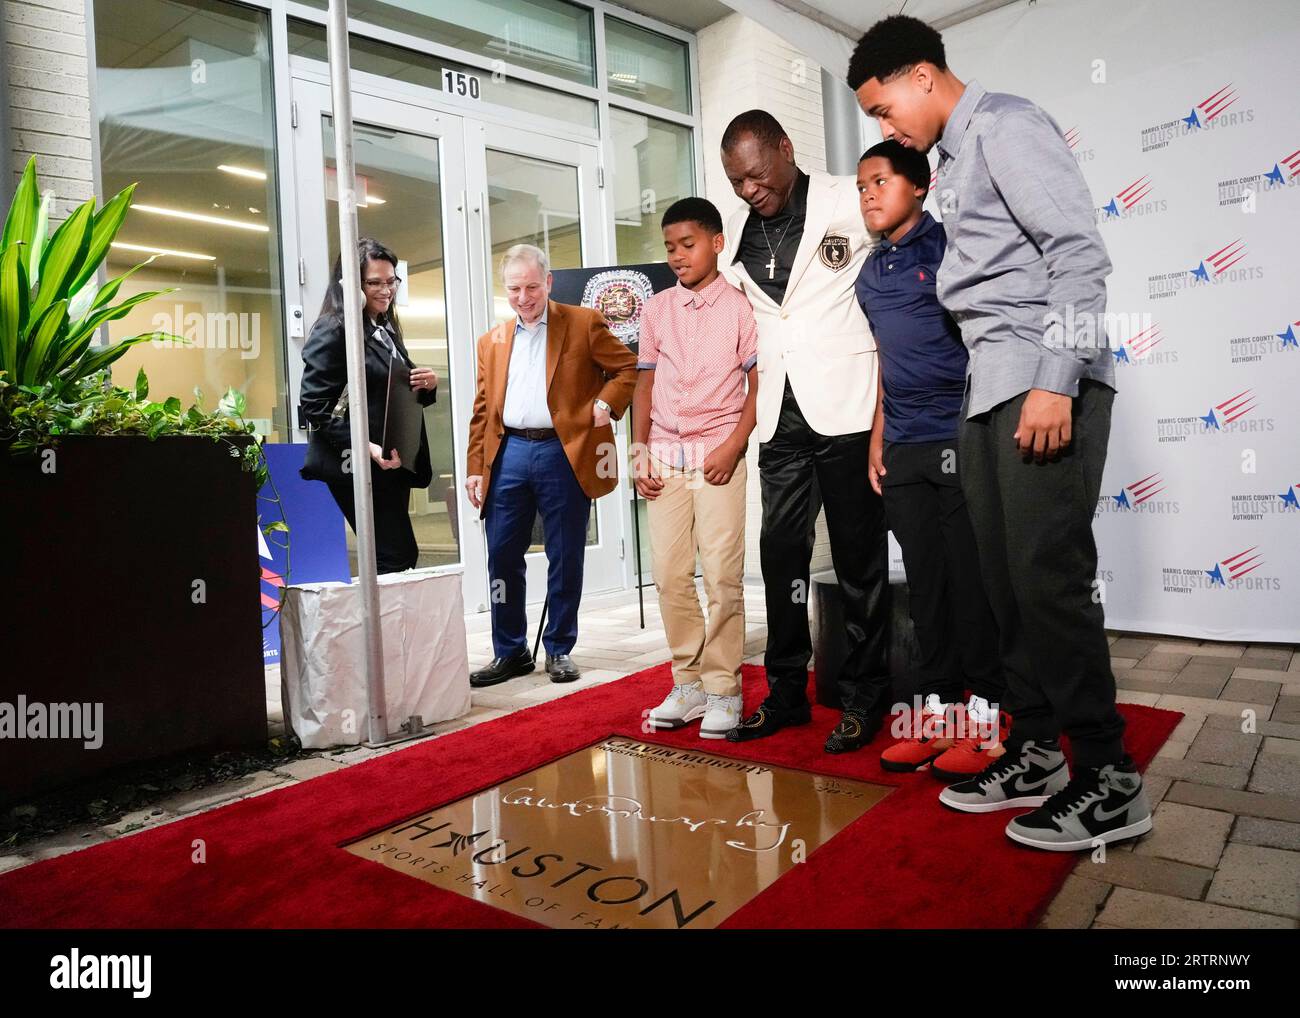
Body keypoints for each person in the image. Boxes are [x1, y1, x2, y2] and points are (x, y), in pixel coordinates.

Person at [848, 15, 1152, 851]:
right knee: (1006, 584)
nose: (885, 129)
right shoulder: (953, 158)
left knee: (1049, 580)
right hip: (987, 388)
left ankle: (1110, 779)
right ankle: (1037, 751)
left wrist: (1055, 384)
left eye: (881, 108)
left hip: (1039, 382)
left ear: (920, 74)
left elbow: (1078, 255)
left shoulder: (1008, 126)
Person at [718, 110, 891, 755]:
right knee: (781, 557)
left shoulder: (849, 198)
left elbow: (899, 248)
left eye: (758, 176)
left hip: (845, 408)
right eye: (737, 181)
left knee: (858, 562)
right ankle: (786, 694)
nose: (749, 191)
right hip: (779, 420)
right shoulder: (736, 234)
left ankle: (864, 698)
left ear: (786, 150)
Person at [854, 140, 1005, 781]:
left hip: (958, 435)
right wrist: (877, 436)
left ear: (920, 185)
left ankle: (990, 723)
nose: (868, 194)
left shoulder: (950, 250)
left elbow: (987, 339)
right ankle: (937, 718)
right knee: (927, 589)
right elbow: (888, 361)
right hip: (903, 444)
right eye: (862, 185)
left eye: (881, 181)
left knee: (971, 586)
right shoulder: (869, 272)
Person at [465, 244, 637, 688]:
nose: (524, 297)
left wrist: (606, 403)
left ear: (549, 282)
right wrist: (474, 467)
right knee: (502, 553)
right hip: (509, 454)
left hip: (565, 449)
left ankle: (559, 646)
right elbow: (483, 410)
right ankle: (511, 651)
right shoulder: (492, 342)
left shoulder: (582, 323)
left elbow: (627, 369)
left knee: (565, 553)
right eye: (514, 289)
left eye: (531, 287)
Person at [634, 197, 759, 739]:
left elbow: (760, 384)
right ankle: (686, 683)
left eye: (687, 245)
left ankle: (723, 689)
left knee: (724, 578)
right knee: (668, 574)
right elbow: (642, 383)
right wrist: (638, 451)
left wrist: (734, 444)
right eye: (669, 248)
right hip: (663, 453)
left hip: (717, 456)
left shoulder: (740, 306)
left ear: (715, 243)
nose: (678, 256)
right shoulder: (655, 308)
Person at [299, 238, 438, 573]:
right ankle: (377, 626)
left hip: (389, 463)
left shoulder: (382, 326)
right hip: (355, 462)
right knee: (395, 555)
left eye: (391, 281)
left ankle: (383, 626)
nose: (385, 290)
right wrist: (366, 446)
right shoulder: (334, 329)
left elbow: (389, 389)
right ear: (349, 285)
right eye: (374, 282)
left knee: (394, 555)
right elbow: (313, 405)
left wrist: (427, 385)